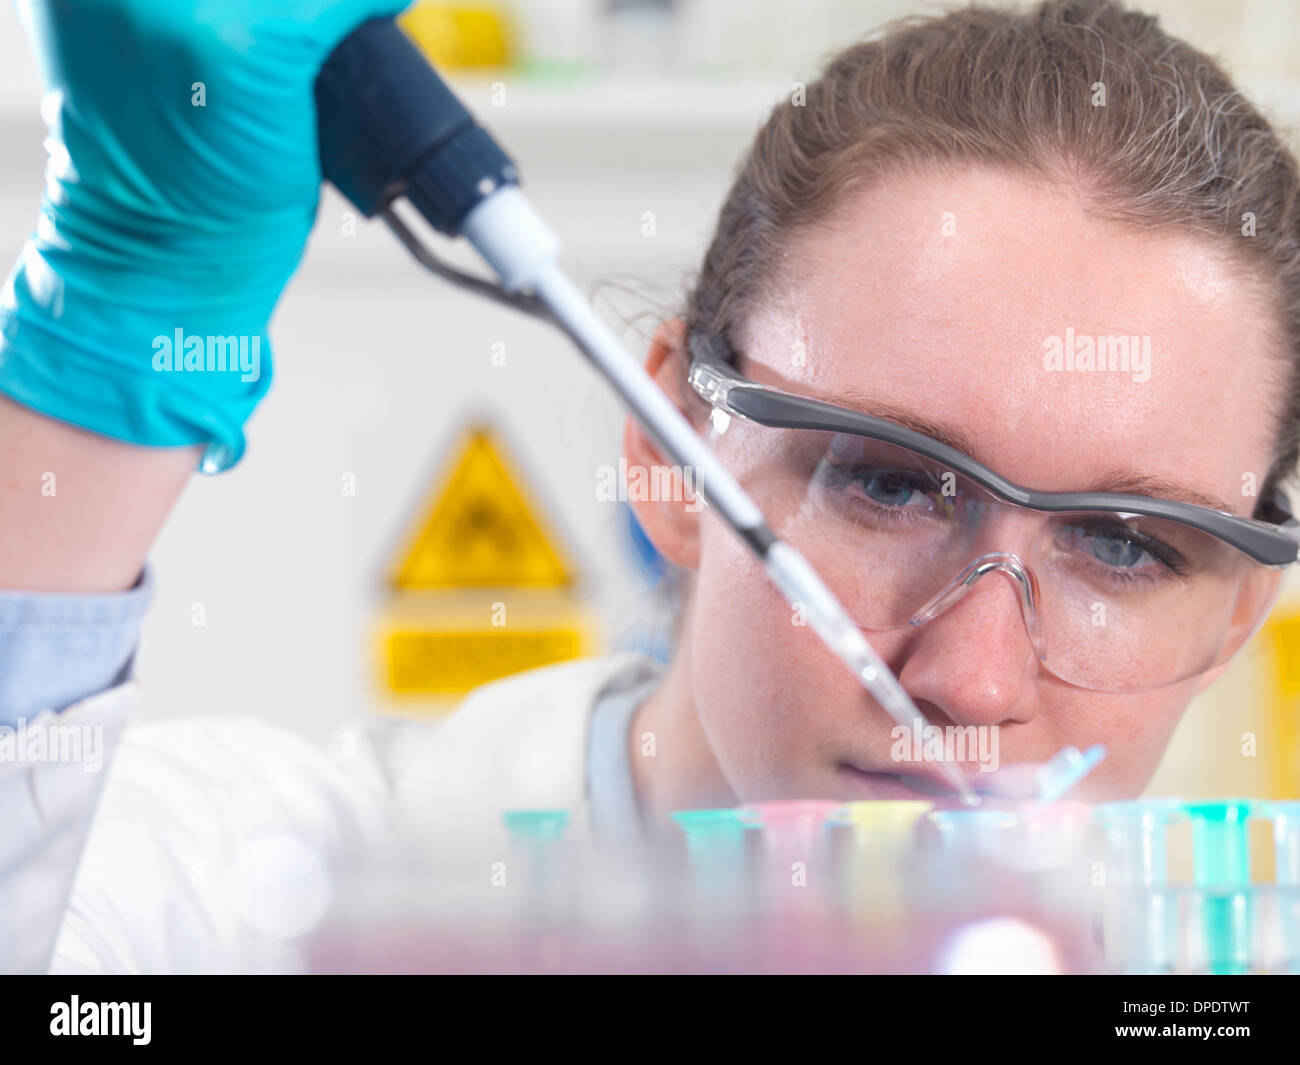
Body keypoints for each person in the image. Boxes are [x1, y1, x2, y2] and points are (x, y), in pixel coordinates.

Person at [2, 0, 1297, 972]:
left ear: (1237, 615)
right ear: (674, 446)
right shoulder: (241, 900)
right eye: (891, 483)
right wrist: (114, 331)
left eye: (1125, 547)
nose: (967, 680)